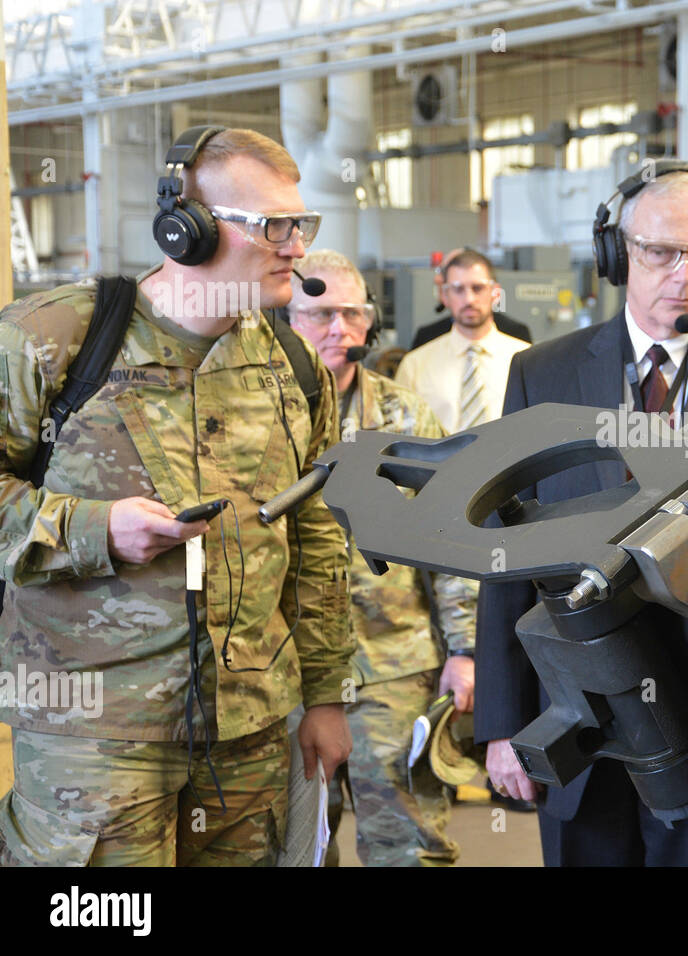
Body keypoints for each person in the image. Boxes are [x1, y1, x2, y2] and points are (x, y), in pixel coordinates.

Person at [0, 127, 353, 866]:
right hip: (93, 732)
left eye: (302, 225)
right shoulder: (58, 339)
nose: (295, 246)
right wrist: (93, 529)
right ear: (184, 229)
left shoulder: (291, 364)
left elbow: (318, 534)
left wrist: (324, 695)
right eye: (273, 227)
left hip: (249, 733)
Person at [476, 164, 688, 866]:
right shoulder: (543, 375)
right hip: (577, 711)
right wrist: (502, 724)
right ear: (618, 255)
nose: (683, 273)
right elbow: (503, 555)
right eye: (659, 251)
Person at [287, 249, 477, 866]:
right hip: (282, 668)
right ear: (284, 322)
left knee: (409, 844)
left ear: (370, 323)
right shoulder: (259, 419)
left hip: (394, 663)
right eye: (318, 315)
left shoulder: (405, 417)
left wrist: (467, 650)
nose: (337, 328)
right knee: (293, 847)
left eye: (350, 313)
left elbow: (447, 539)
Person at [395, 250, 531, 432]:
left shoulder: (527, 360)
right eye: (458, 289)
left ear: (496, 293)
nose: (469, 299)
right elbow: (401, 437)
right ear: (444, 296)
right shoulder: (415, 366)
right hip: (438, 461)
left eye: (478, 288)